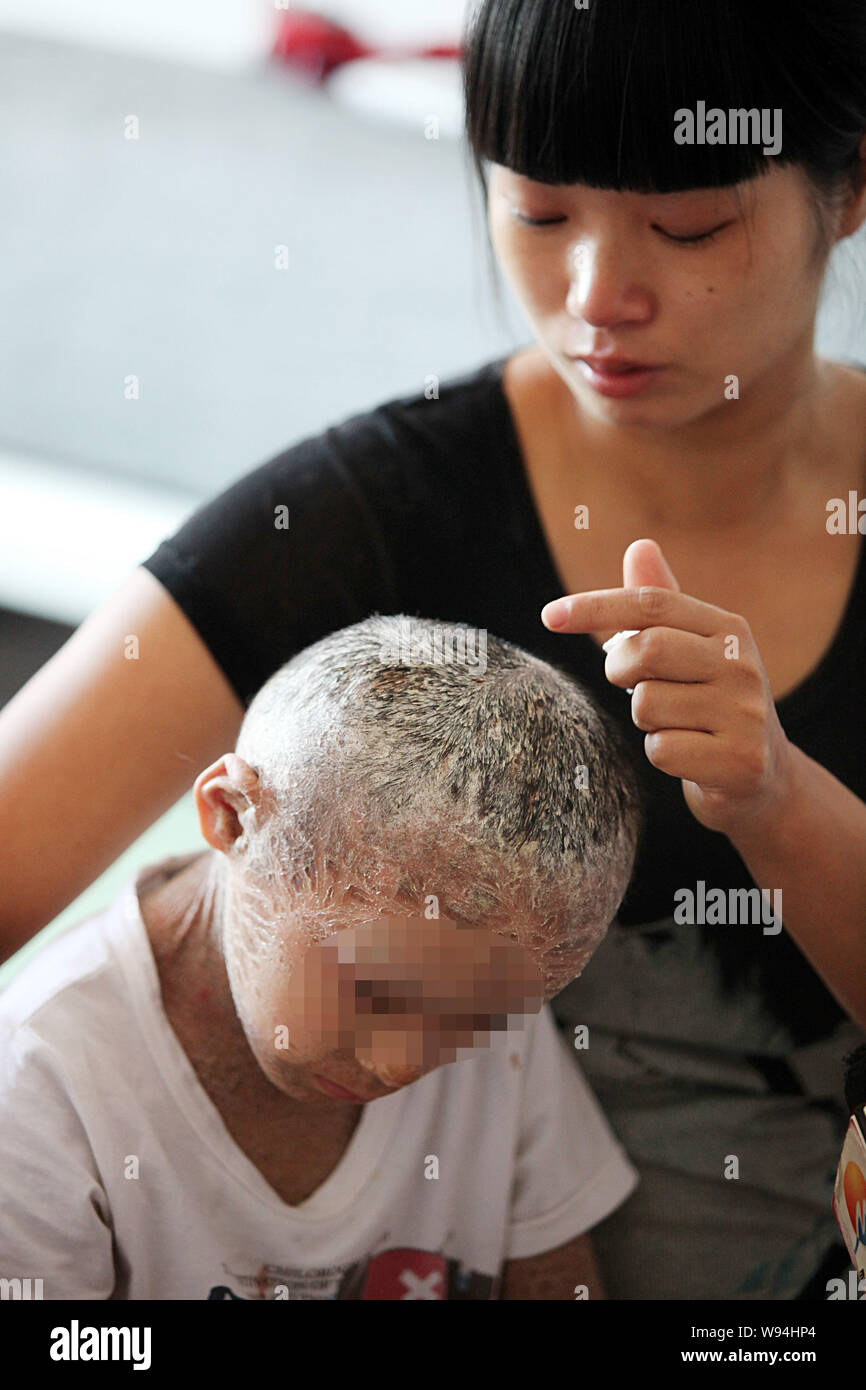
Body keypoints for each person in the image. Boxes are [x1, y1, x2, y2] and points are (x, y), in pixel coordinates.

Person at [2, 0, 866, 1299]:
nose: (595, 299)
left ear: (847, 188)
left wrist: (776, 801)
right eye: (536, 213)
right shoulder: (360, 516)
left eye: (687, 225)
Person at [0, 615, 642, 1300]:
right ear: (232, 817)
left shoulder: (494, 998)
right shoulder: (39, 1084)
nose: (400, 1063)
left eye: (477, 1016)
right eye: (375, 990)